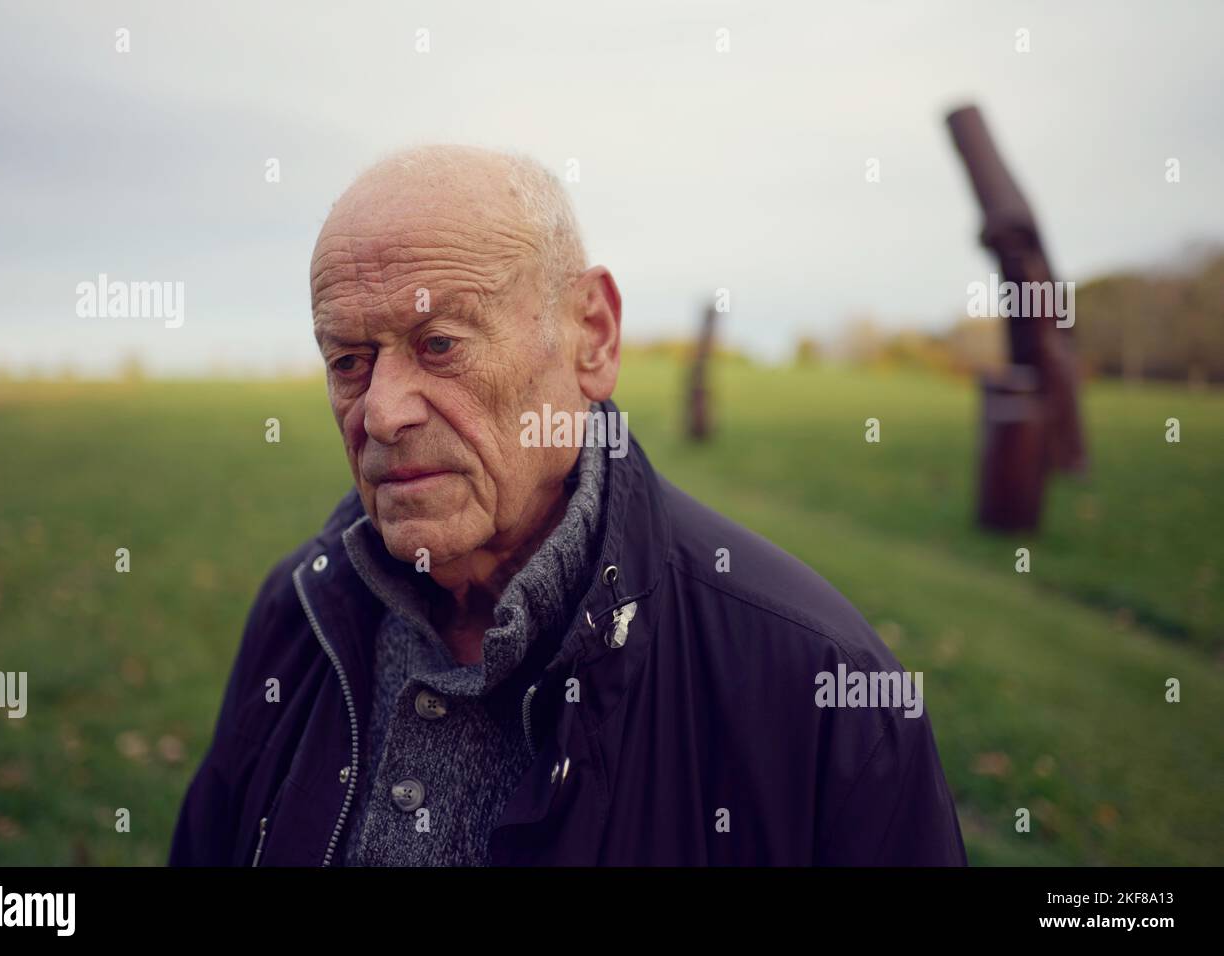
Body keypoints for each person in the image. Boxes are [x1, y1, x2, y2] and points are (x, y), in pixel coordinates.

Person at [169, 144, 967, 866]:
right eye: (349, 360)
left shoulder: (820, 686)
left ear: (593, 336)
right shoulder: (300, 611)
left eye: (439, 344)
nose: (381, 414)